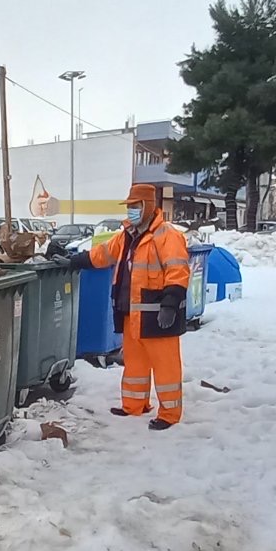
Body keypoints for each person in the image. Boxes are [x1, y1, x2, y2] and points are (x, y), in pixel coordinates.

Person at [69, 184, 190, 430]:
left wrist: (170, 305)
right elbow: (103, 254)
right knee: (135, 365)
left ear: (147, 206)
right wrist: (75, 260)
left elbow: (178, 271)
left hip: (157, 315)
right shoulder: (127, 235)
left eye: (135, 206)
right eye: (130, 207)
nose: (132, 211)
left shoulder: (167, 236)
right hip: (132, 313)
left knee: (166, 367)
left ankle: (169, 413)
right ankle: (134, 405)